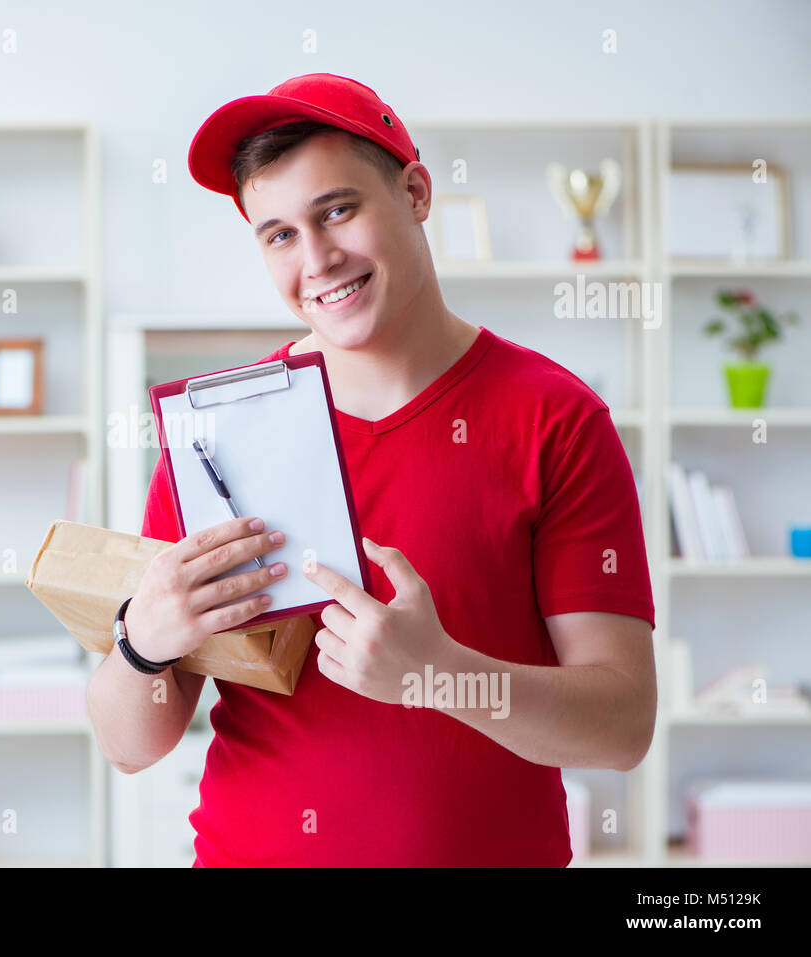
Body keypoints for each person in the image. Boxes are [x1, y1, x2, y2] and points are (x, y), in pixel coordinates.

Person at [85, 73, 656, 867]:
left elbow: (624, 722)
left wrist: (441, 675)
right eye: (279, 233)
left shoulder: (555, 420)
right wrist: (141, 642)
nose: (316, 260)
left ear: (416, 193)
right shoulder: (214, 435)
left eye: (337, 211)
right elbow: (129, 744)